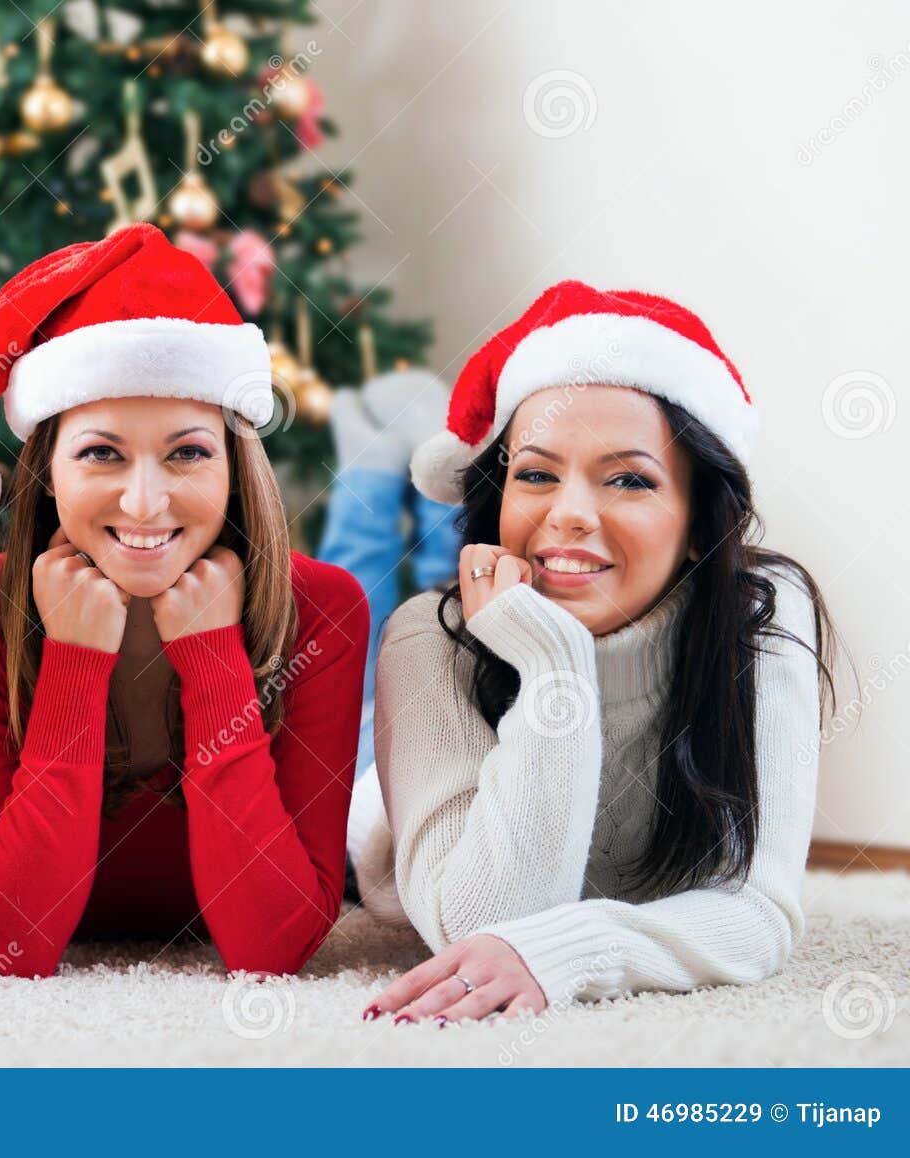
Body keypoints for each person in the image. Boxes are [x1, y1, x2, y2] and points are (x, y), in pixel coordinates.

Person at [353, 280, 836, 1022]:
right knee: (361, 586)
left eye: (629, 479)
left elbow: (758, 914)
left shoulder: (763, 626)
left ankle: (379, 467)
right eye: (536, 474)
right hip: (384, 803)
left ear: (699, 521)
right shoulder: (429, 641)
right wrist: (552, 663)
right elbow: (482, 925)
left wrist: (574, 951)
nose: (570, 513)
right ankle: (370, 467)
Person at [0, 223, 368, 979]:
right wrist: (75, 660)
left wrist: (214, 659)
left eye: (188, 452)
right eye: (100, 453)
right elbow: (10, 945)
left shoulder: (325, 607)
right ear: (47, 469)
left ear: (233, 468)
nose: (146, 502)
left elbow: (271, 947)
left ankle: (375, 471)